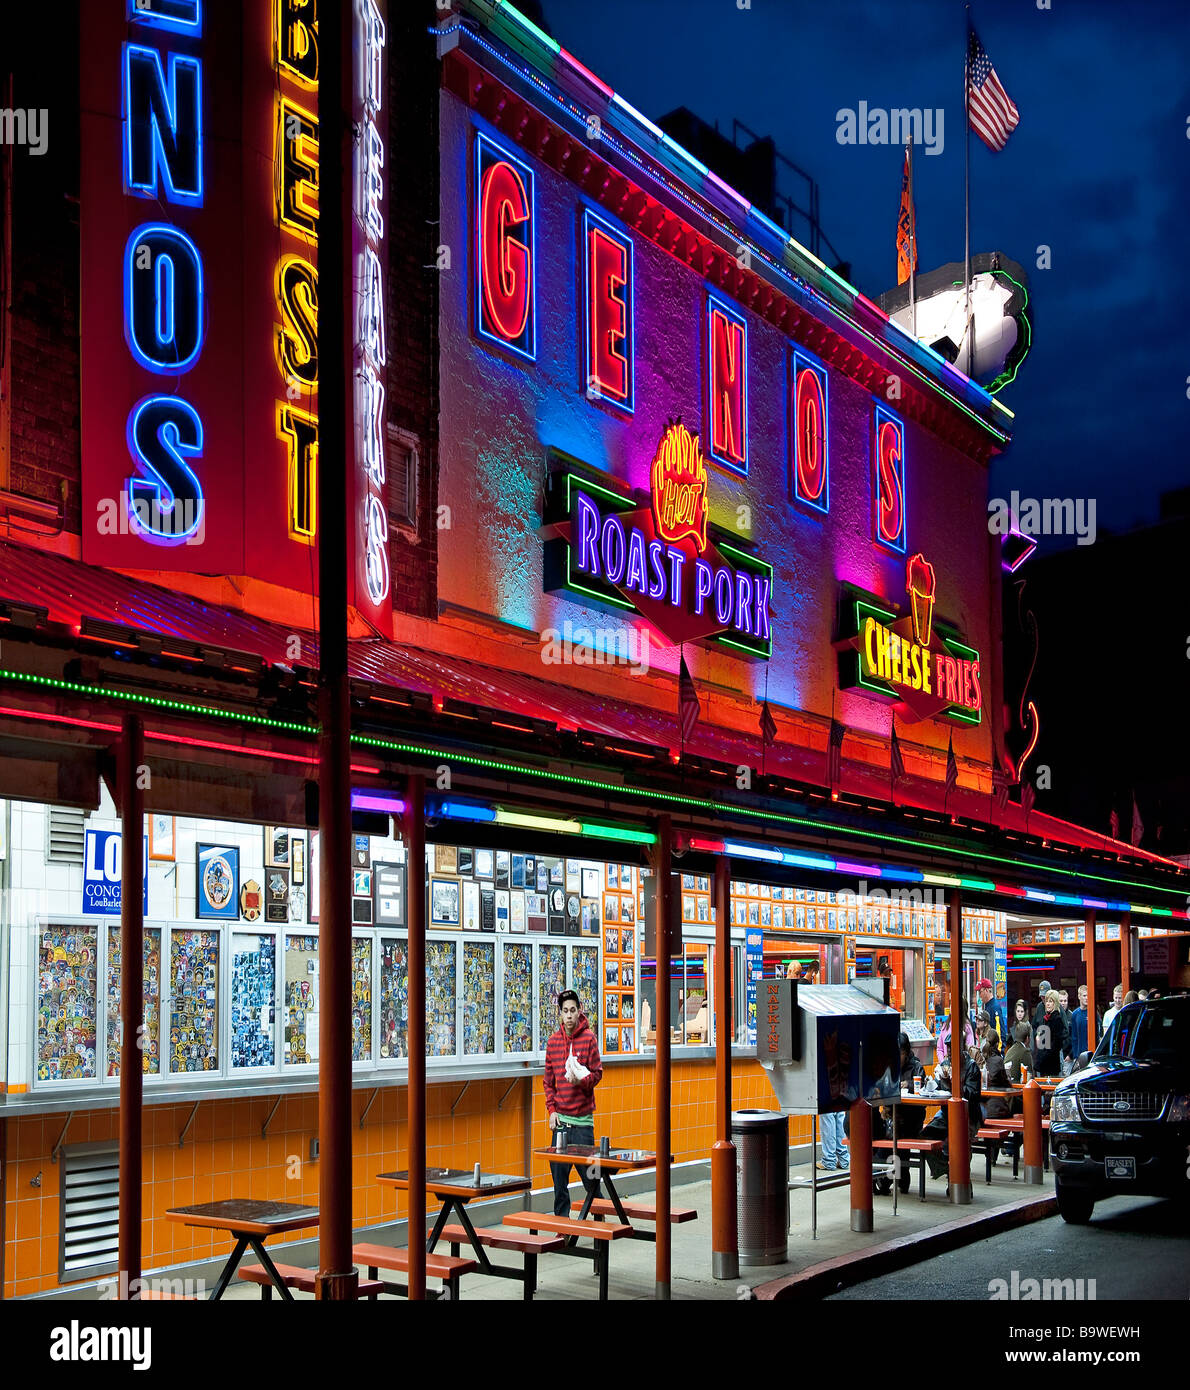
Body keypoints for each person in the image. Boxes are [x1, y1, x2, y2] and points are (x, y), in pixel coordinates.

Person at [543, 990, 604, 1216]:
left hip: (583, 1122)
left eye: (572, 1010)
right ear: (560, 1014)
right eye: (565, 1011)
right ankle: (562, 1226)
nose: (569, 1016)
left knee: (592, 1177)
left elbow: (597, 1074)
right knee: (559, 1180)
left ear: (579, 1011)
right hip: (561, 1123)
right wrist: (551, 1110)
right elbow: (548, 1082)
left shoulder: (589, 1039)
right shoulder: (553, 1043)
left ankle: (600, 1215)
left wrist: (582, 1080)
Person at [921, 1048, 982, 1182]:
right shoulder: (944, 1065)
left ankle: (960, 1175)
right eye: (948, 1048)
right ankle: (945, 1168)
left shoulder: (971, 1067)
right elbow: (936, 1087)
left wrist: (952, 1083)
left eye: (951, 1047)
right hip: (946, 1113)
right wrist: (930, 1084)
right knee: (925, 1135)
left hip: (968, 1115)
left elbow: (971, 1096)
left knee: (958, 1140)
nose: (949, 1052)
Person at [1033, 989, 1066, 1077]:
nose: (1047, 1004)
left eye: (1050, 1001)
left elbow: (1056, 1043)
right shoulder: (1047, 1017)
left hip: (1051, 1063)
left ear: (1055, 1003)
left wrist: (1044, 1055)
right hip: (1044, 1061)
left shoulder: (1056, 1019)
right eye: (1047, 1001)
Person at [936, 998, 974, 1066]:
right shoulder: (945, 1026)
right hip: (946, 1066)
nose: (951, 1007)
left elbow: (970, 1048)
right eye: (951, 1005)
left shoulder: (966, 1027)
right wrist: (943, 1063)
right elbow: (940, 1048)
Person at [1070, 984, 1100, 1061]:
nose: (1086, 998)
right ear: (1079, 996)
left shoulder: (1094, 1013)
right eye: (1084, 996)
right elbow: (1074, 1037)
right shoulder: (1075, 1014)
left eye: (1088, 995)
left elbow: (1099, 1034)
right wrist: (1075, 1055)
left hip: (1093, 1054)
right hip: (1079, 1055)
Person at [977, 978, 1005, 1047]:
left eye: (980, 992)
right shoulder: (988, 1006)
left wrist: (999, 1052)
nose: (979, 995)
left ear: (986, 990)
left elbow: (1000, 1032)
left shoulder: (994, 1007)